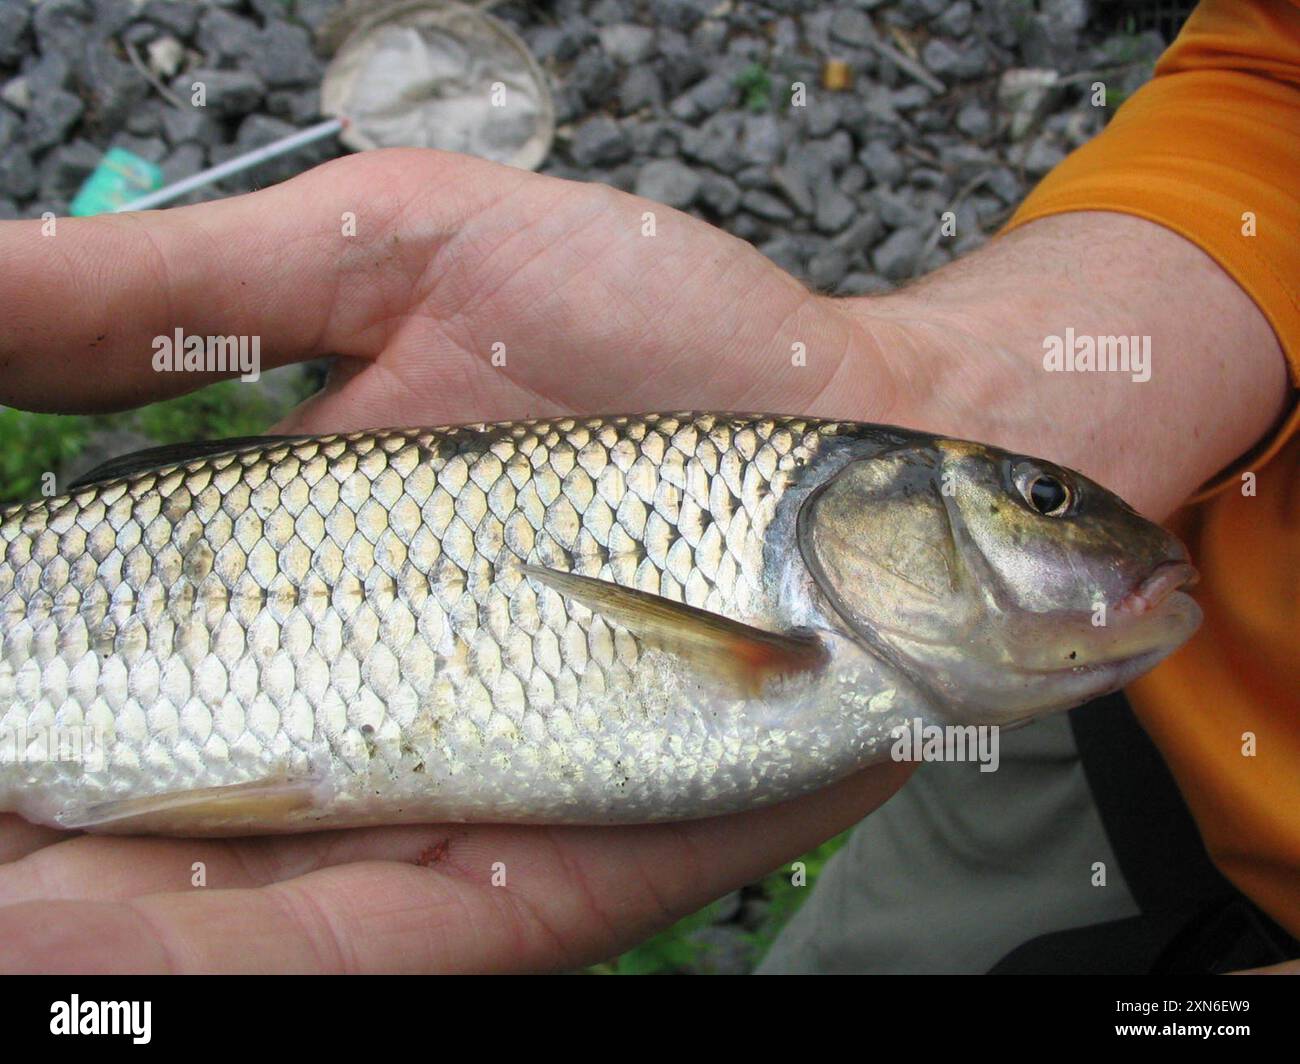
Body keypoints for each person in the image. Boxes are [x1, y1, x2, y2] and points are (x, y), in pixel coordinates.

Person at [0, 0, 1293, 973]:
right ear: (863, 518)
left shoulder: (876, 673)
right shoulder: (878, 665)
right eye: (1040, 501)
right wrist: (950, 375)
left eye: (1040, 502)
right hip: (1149, 752)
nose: (1059, 520)